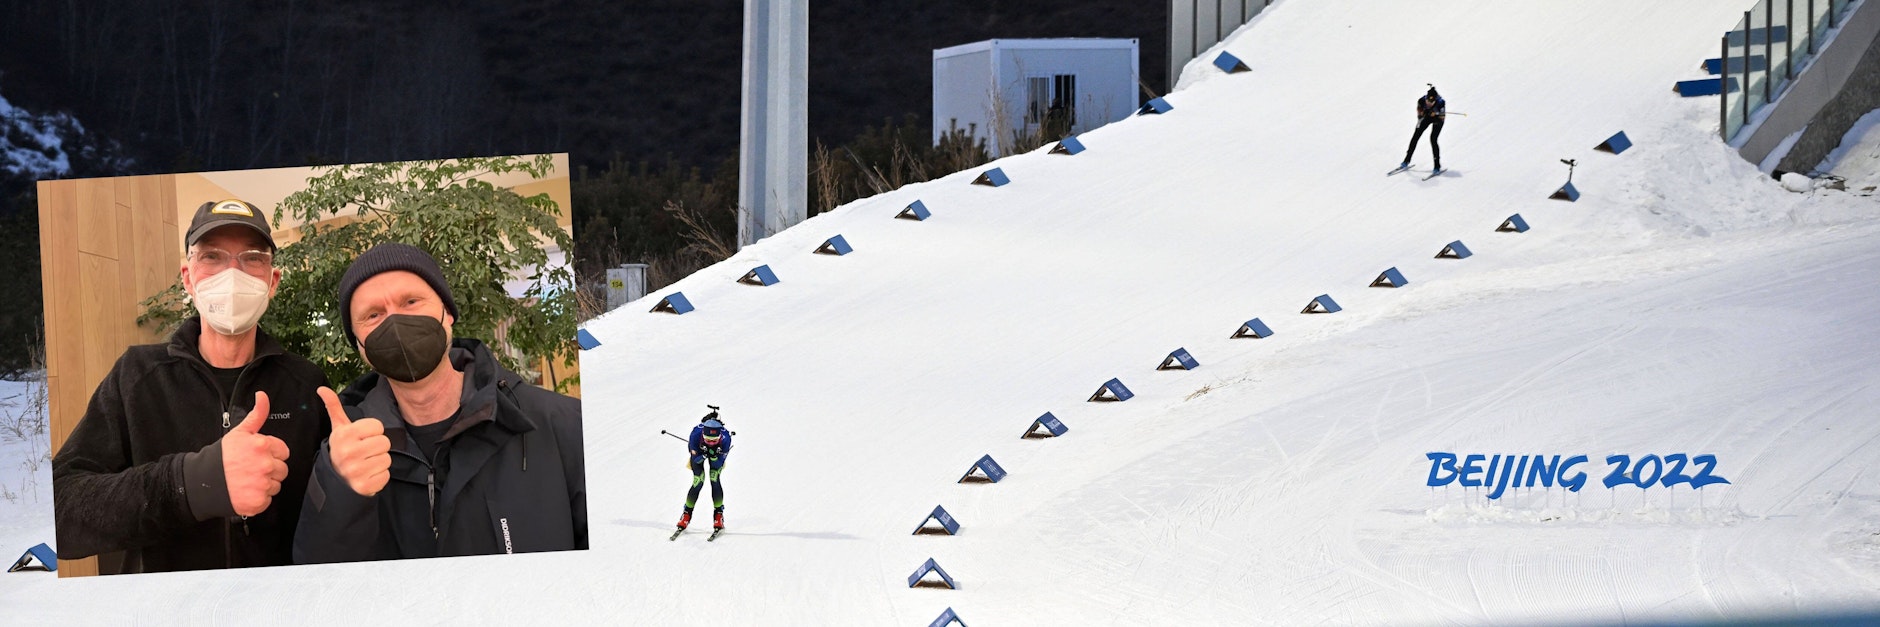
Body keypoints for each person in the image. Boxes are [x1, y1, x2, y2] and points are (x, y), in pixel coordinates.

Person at [51, 199, 331, 573]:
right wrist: (191, 483)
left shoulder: (305, 384)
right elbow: (61, 512)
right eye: (212, 257)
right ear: (187, 277)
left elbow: (326, 514)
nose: (233, 274)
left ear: (272, 281)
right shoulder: (137, 375)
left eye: (251, 258)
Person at [294, 242, 586, 562]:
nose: (394, 322)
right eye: (373, 315)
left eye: (411, 301)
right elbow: (317, 578)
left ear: (447, 314)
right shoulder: (341, 454)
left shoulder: (561, 424)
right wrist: (341, 492)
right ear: (360, 345)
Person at [676, 408, 732, 532]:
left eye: (714, 440)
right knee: (698, 481)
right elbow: (696, 460)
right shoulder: (695, 435)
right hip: (700, 451)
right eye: (708, 440)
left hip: (716, 453)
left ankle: (718, 515)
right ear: (703, 435)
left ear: (720, 437)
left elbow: (719, 462)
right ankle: (686, 514)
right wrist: (704, 454)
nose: (711, 443)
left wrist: (714, 455)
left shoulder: (726, 438)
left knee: (714, 478)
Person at [1400, 85, 1447, 173]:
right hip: (1427, 117)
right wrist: (1424, 113)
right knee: (1415, 136)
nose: (1429, 103)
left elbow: (1442, 118)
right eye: (1428, 101)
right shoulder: (1421, 101)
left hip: (1437, 120)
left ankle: (1437, 166)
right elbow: (1419, 116)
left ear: (1435, 100)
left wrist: (1435, 115)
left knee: (1433, 139)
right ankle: (1406, 160)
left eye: (1431, 102)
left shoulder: (1441, 103)